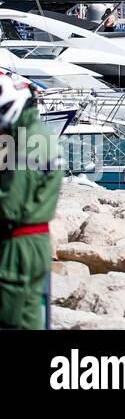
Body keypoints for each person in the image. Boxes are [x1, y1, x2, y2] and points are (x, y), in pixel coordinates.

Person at [0, 72, 63, 330]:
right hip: (36, 242)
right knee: (31, 319)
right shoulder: (42, 134)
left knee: (10, 321)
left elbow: (11, 205)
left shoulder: (26, 143)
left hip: (19, 245)